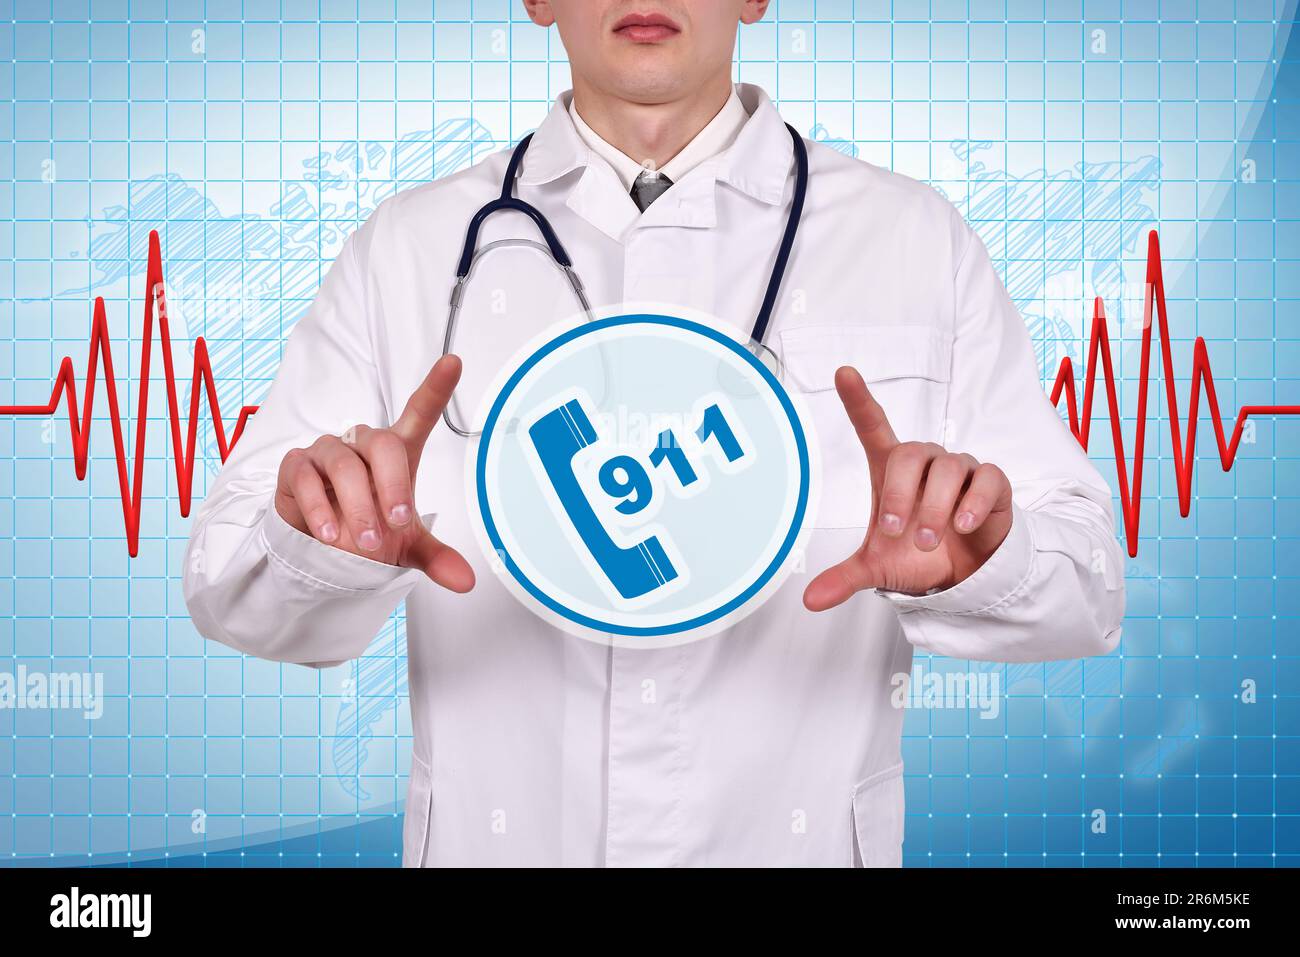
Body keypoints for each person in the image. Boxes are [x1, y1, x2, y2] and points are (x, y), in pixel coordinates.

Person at [183, 0, 1125, 867]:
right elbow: (227, 578)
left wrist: (979, 558)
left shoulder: (914, 238)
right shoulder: (411, 246)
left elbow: (1088, 583)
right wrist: (326, 542)